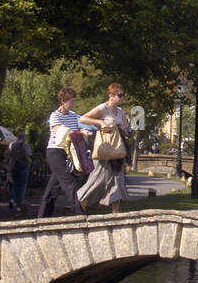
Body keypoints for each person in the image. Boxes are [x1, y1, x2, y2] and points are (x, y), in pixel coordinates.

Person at [78, 84, 131, 214]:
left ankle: (115, 214)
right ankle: (79, 207)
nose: (121, 98)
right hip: (104, 151)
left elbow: (127, 128)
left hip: (117, 151)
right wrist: (100, 123)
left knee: (117, 181)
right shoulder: (102, 108)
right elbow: (83, 118)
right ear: (111, 95)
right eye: (119, 95)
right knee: (97, 180)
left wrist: (126, 129)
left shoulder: (121, 112)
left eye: (122, 95)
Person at [37, 88, 87, 219]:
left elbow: (77, 130)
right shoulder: (55, 116)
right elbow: (60, 131)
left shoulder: (73, 115)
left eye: (74, 101)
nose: (73, 104)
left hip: (67, 152)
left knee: (53, 188)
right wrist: (79, 132)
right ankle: (80, 215)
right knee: (69, 183)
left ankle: (42, 218)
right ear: (62, 101)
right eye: (71, 101)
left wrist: (83, 131)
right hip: (55, 152)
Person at [7, 131, 32, 213]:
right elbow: (28, 155)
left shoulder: (12, 144)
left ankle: (13, 199)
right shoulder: (25, 145)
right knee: (22, 187)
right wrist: (29, 163)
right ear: (24, 137)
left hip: (14, 167)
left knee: (15, 184)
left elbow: (8, 155)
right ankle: (18, 205)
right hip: (23, 167)